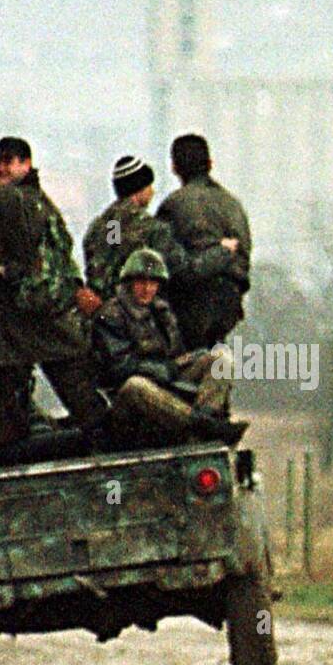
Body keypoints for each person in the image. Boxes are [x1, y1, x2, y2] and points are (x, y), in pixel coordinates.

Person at [0, 106, 107, 456]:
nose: (2, 168)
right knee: (73, 382)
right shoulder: (41, 203)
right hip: (45, 312)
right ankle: (107, 441)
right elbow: (61, 251)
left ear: (26, 164)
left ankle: (1, 456)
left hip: (16, 315)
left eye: (10, 160)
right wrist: (75, 290)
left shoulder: (12, 200)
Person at [93, 249, 247, 447]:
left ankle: (204, 425)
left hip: (165, 383)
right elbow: (119, 367)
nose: (147, 288)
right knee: (135, 386)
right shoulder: (111, 315)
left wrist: (191, 359)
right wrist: (162, 370)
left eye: (152, 282)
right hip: (128, 399)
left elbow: (175, 354)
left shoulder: (161, 312)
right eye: (141, 282)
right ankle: (204, 426)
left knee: (221, 359)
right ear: (129, 283)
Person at [154, 134, 252, 350]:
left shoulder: (172, 206)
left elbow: (162, 262)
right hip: (228, 304)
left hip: (187, 305)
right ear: (209, 164)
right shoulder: (232, 204)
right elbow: (244, 258)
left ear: (174, 167)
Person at [82, 155, 183, 301]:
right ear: (139, 188)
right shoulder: (153, 228)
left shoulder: (104, 225)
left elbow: (109, 256)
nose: (152, 192)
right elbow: (178, 268)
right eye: (149, 186)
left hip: (102, 313)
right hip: (137, 315)